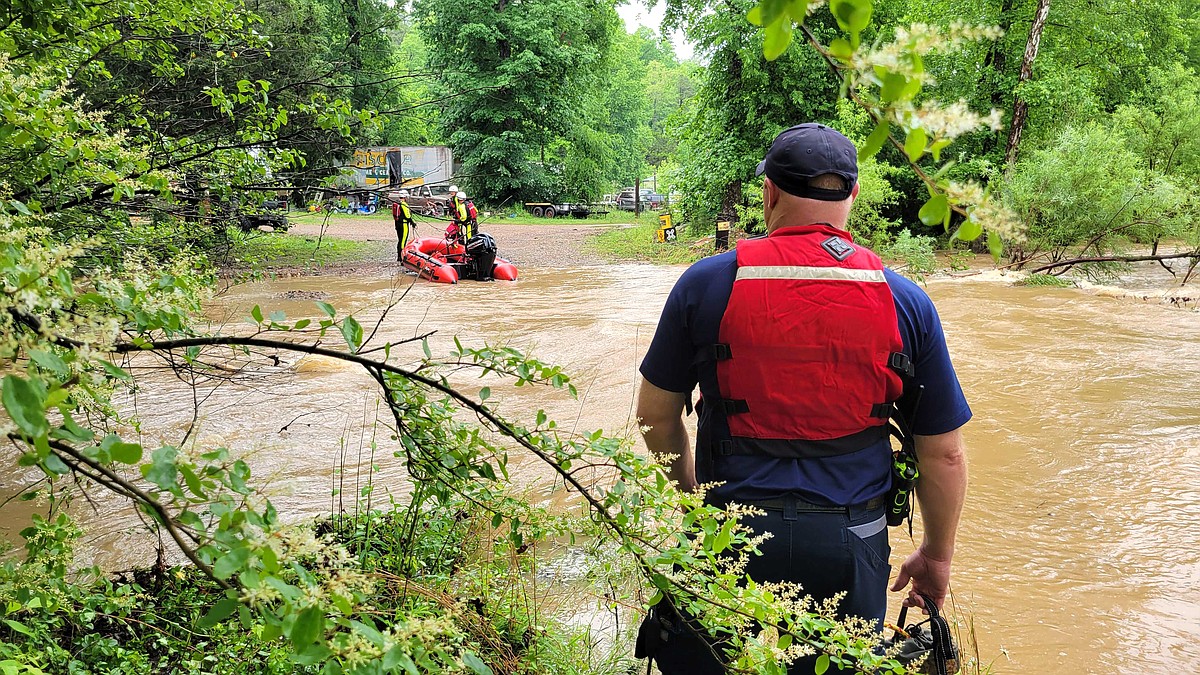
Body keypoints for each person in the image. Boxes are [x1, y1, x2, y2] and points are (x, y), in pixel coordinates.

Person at [635, 123, 971, 674]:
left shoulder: (705, 285)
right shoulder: (906, 301)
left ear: (768, 193)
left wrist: (688, 499)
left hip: (728, 531)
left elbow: (655, 415)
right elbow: (945, 455)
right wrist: (936, 558)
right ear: (853, 196)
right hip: (852, 542)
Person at [391, 190, 415, 260]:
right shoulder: (404, 204)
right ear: (405, 197)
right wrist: (412, 223)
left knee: (400, 240)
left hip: (397, 224)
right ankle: (402, 257)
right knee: (403, 240)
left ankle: (398, 256)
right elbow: (407, 216)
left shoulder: (397, 203)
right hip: (404, 225)